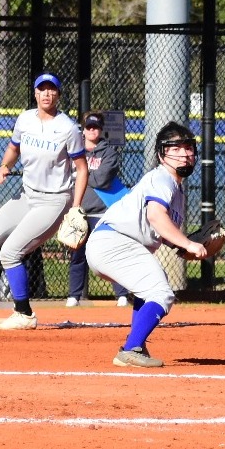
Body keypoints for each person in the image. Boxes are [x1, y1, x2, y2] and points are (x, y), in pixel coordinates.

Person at [0, 73, 87, 329]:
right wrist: (4, 166)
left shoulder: (68, 128)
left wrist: (76, 206)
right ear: (35, 93)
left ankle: (24, 314)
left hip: (54, 200)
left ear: (58, 94)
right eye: (42, 89)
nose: (47, 94)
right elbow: (14, 148)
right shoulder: (24, 119)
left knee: (11, 252)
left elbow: (82, 168)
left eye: (52, 89)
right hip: (27, 194)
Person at [85, 123, 210, 368]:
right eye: (176, 148)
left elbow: (159, 230)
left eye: (188, 148)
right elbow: (155, 216)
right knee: (161, 293)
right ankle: (131, 348)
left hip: (118, 244)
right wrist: (187, 243)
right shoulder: (162, 177)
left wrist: (185, 247)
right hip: (115, 241)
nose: (185, 153)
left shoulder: (176, 191)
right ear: (162, 154)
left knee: (152, 284)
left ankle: (137, 345)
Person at [67, 110, 130, 309]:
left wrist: (81, 175)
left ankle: (121, 294)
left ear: (101, 130)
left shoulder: (109, 152)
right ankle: (74, 296)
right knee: (77, 255)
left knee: (109, 253)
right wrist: (84, 175)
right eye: (89, 127)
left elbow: (102, 180)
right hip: (80, 212)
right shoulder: (74, 152)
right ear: (83, 130)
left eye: (96, 127)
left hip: (103, 212)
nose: (92, 130)